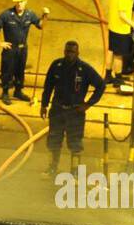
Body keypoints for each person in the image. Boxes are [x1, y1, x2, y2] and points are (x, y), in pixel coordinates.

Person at [39, 40, 105, 176]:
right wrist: (44, 105)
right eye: (67, 51)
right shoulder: (56, 65)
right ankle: (52, 167)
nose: (69, 54)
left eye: (72, 52)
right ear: (64, 51)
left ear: (77, 53)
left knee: (75, 143)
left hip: (75, 112)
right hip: (57, 110)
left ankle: (74, 171)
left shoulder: (84, 69)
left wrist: (88, 104)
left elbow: (100, 85)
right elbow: (48, 86)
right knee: (54, 140)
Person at [0, 0, 43, 105]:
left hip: (22, 49)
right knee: (7, 71)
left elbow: (41, 25)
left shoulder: (30, 14)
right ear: (14, 2)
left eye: (21, 1)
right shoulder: (6, 15)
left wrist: (45, 16)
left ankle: (18, 91)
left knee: (20, 71)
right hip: (10, 49)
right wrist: (0, 42)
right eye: (17, 1)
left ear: (26, 1)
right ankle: (5, 92)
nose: (19, 4)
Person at [104, 0, 134, 89]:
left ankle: (108, 76)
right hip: (121, 29)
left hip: (113, 27)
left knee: (111, 50)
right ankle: (118, 79)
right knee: (118, 55)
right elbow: (122, 15)